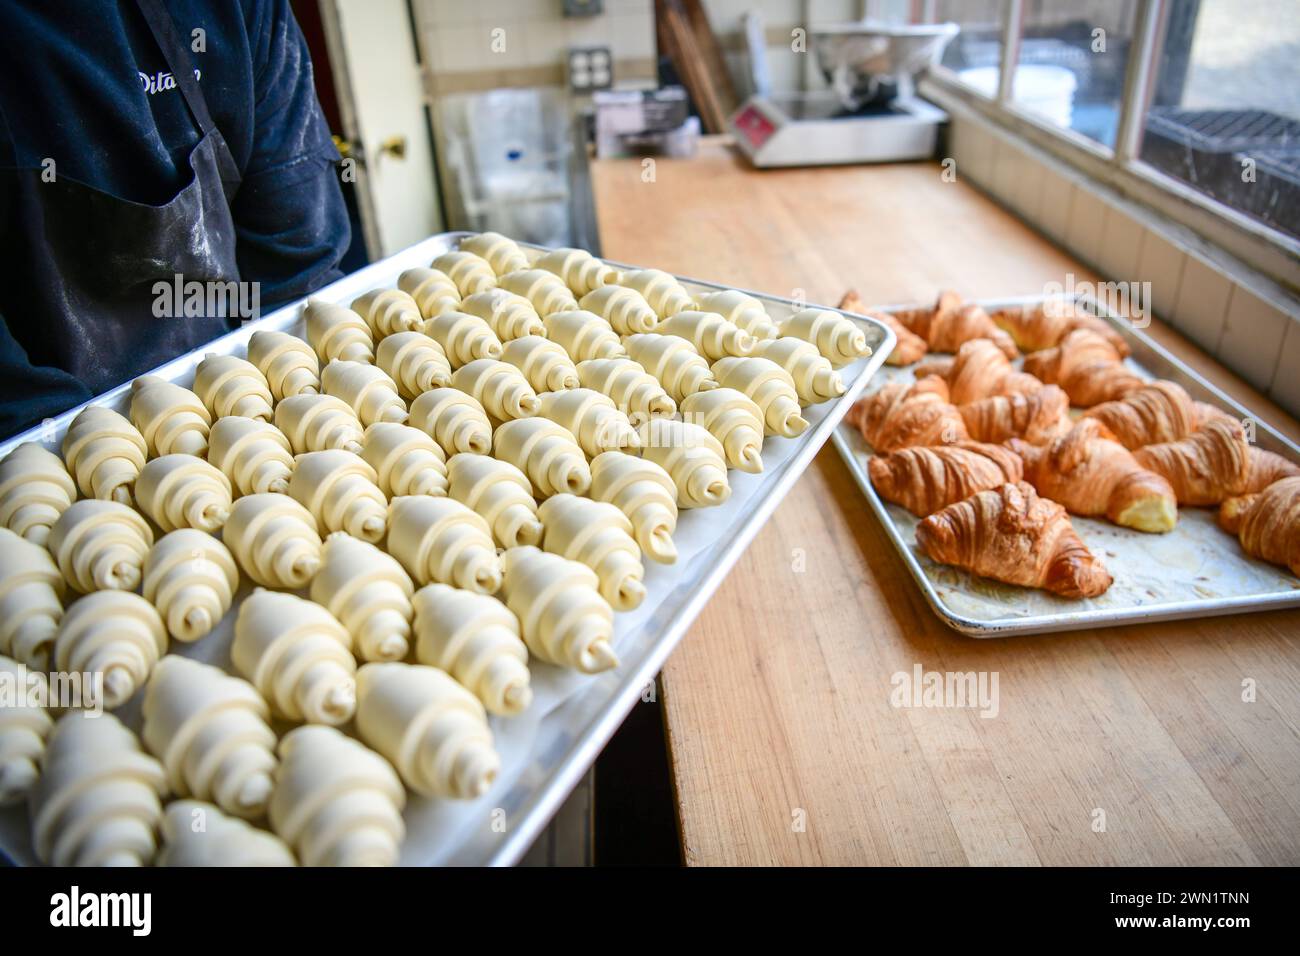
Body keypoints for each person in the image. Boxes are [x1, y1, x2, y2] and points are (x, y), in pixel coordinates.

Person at [0, 0, 350, 438]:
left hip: (242, 392)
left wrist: (283, 404)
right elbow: (12, 397)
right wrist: (71, 449)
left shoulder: (240, 11)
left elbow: (299, 276)